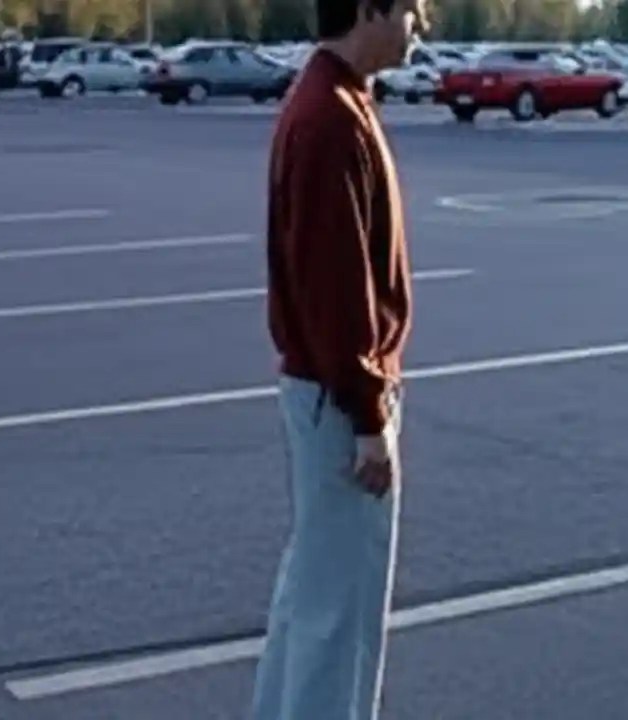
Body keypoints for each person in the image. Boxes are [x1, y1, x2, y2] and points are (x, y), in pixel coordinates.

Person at [250, 0, 427, 716]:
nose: (422, 24)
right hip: (337, 400)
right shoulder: (330, 120)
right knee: (338, 618)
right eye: (413, 7)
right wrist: (368, 414)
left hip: (321, 394)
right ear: (368, 10)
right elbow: (337, 286)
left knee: (311, 599)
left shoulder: (333, 99)